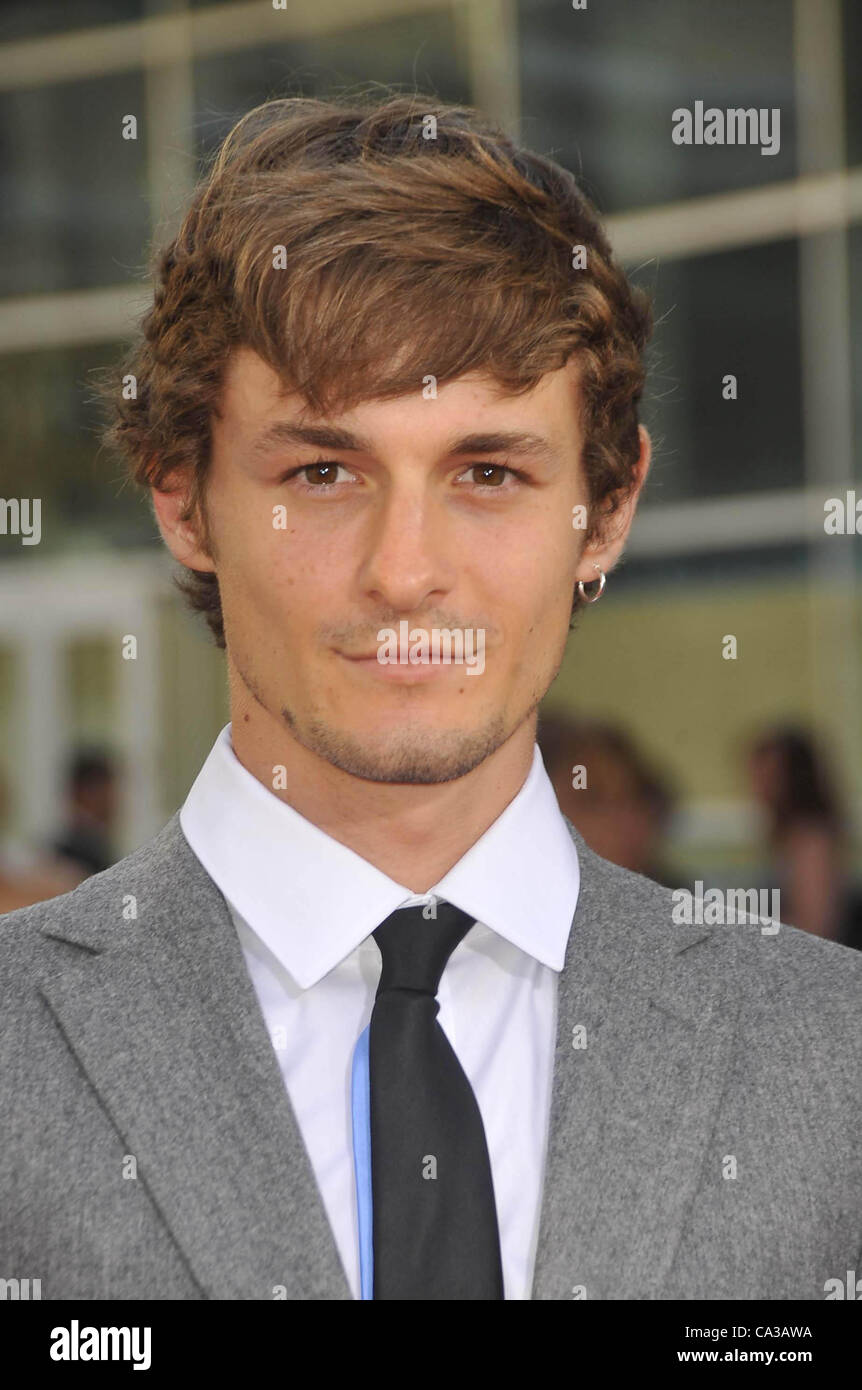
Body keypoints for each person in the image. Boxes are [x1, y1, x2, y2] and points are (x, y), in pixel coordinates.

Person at [1, 92, 859, 1302]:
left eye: (490, 472)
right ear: (183, 499)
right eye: (322, 470)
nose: (405, 569)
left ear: (604, 511)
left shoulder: (834, 1056)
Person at [48, 747, 119, 878]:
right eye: (109, 789)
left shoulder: (96, 842)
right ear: (84, 791)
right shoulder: (81, 851)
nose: (115, 799)